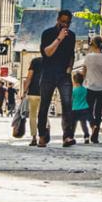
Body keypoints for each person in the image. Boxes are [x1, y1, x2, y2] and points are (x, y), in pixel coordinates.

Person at [36, 10, 79, 148]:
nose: (65, 25)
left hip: (63, 75)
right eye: (63, 21)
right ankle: (42, 135)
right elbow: (47, 53)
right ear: (58, 20)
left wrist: (69, 68)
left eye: (68, 22)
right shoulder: (47, 33)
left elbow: (71, 54)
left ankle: (67, 136)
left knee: (67, 105)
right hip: (48, 73)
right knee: (44, 105)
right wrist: (59, 38)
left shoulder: (71, 36)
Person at [77, 38, 102, 144]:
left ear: (93, 45)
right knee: (98, 112)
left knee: (88, 110)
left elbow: (84, 72)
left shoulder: (89, 57)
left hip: (90, 88)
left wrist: (80, 85)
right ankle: (95, 136)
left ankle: (93, 126)